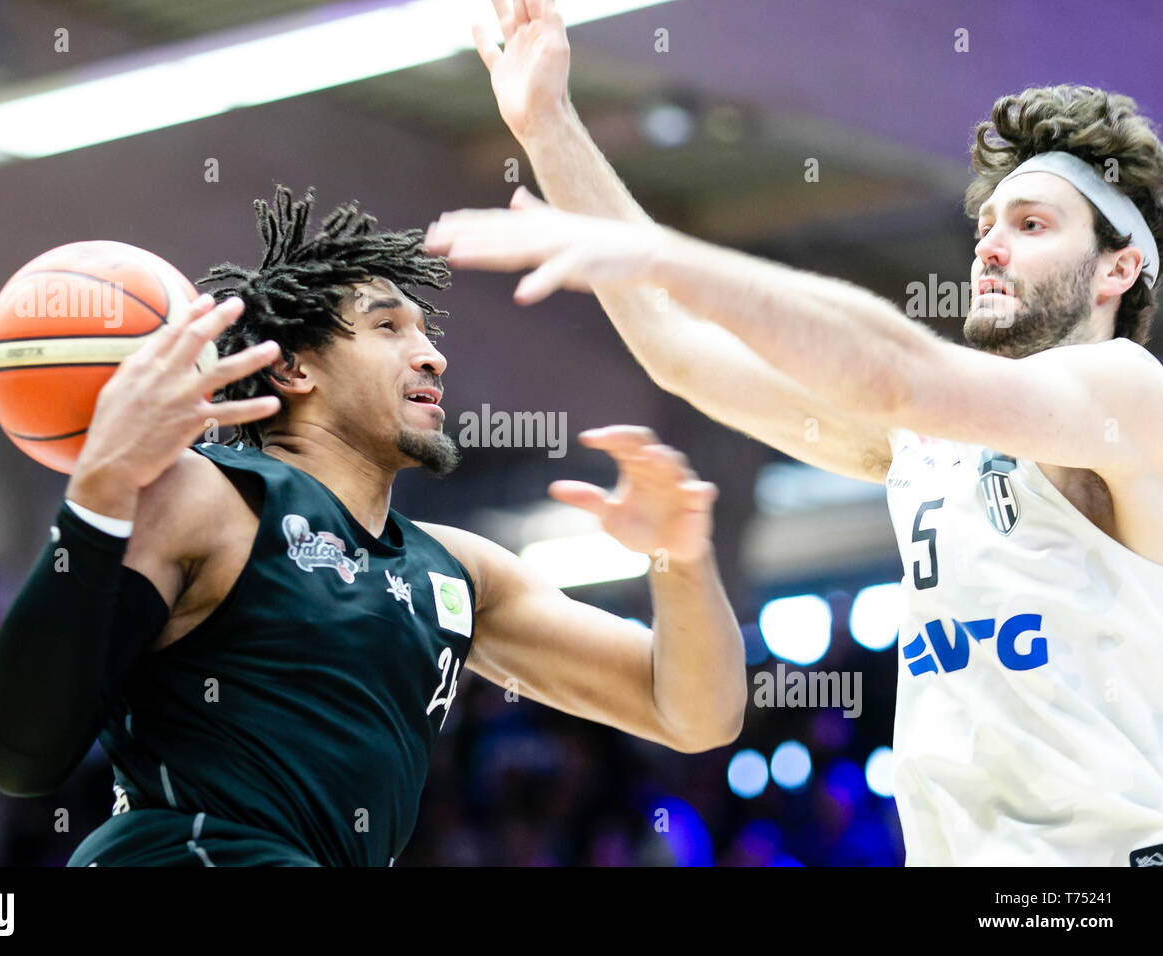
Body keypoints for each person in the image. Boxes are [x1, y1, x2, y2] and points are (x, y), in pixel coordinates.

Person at [430, 0, 1163, 866]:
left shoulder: (1129, 394)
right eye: (985, 226)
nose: (990, 247)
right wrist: (548, 124)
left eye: (1031, 225)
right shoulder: (928, 445)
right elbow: (679, 351)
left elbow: (896, 371)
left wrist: (669, 255)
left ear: (1120, 267)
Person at [0, 183, 745, 867]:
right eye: (389, 328)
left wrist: (681, 562)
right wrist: (102, 491)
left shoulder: (459, 573)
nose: (433, 356)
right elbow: (20, 757)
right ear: (293, 369)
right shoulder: (207, 495)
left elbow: (692, 711)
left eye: (426, 332)